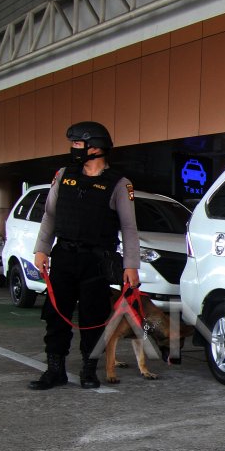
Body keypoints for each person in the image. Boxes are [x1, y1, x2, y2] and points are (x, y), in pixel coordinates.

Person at [28, 121, 140, 390]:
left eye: (78, 144)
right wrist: (41, 248)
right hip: (64, 256)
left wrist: (131, 265)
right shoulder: (63, 174)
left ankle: (89, 370)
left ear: (96, 148)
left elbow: (128, 227)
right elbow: (50, 215)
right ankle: (55, 370)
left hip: (97, 261)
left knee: (93, 318)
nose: (73, 149)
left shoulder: (120, 184)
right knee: (56, 315)